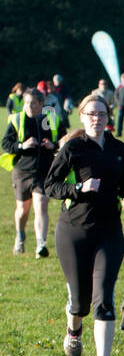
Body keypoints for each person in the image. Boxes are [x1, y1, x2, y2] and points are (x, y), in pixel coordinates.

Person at [43, 92, 124, 356]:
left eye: (101, 114)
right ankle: (74, 330)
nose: (96, 119)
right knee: (79, 301)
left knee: (104, 295)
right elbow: (51, 185)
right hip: (73, 232)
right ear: (82, 117)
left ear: (108, 118)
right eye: (91, 114)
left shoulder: (119, 149)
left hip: (109, 232)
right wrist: (78, 189)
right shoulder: (73, 149)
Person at [4, 87, 66, 256]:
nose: (29, 107)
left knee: (41, 204)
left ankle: (41, 245)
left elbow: (64, 141)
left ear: (41, 104)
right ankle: (20, 236)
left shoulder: (51, 120)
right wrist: (21, 146)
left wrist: (52, 145)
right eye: (27, 103)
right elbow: (5, 144)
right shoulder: (17, 120)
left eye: (32, 103)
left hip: (44, 171)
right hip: (22, 171)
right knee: (23, 209)